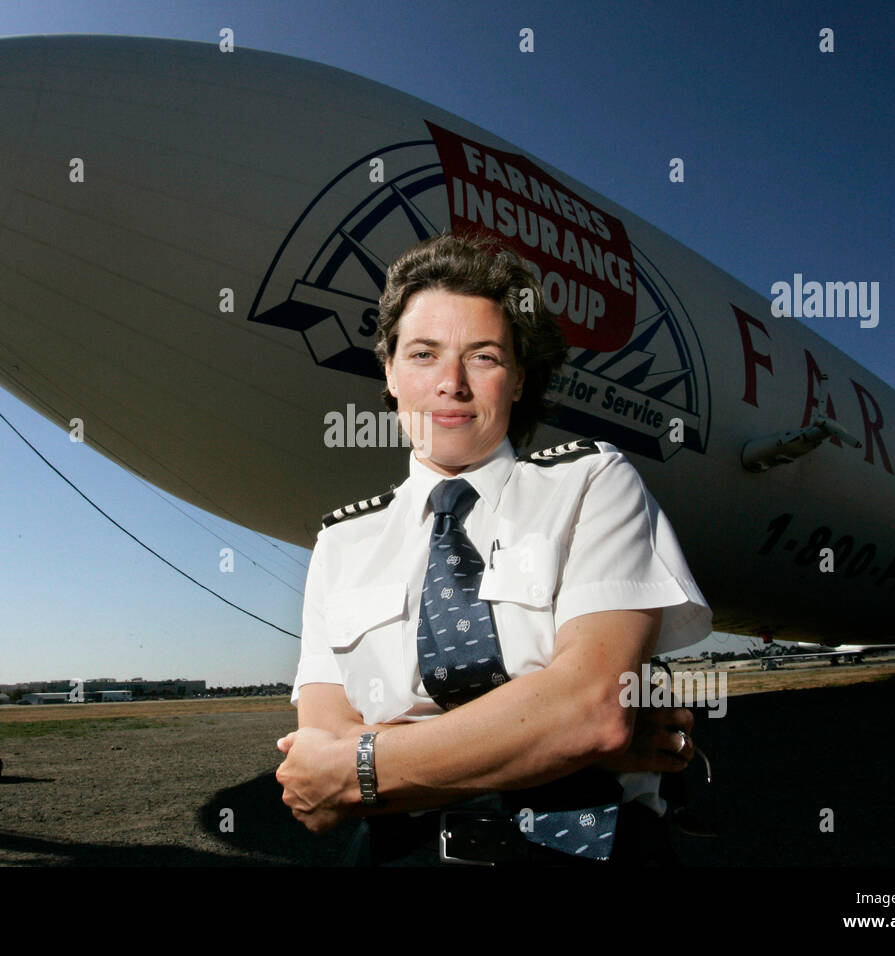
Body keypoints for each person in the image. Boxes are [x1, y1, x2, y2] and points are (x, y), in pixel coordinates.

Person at [276, 232, 712, 865]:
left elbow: (591, 713)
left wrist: (367, 762)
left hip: (588, 849)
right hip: (400, 855)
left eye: (483, 357)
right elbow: (320, 766)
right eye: (423, 354)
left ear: (518, 378)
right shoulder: (342, 543)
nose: (451, 383)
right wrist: (552, 735)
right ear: (391, 372)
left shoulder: (591, 482)